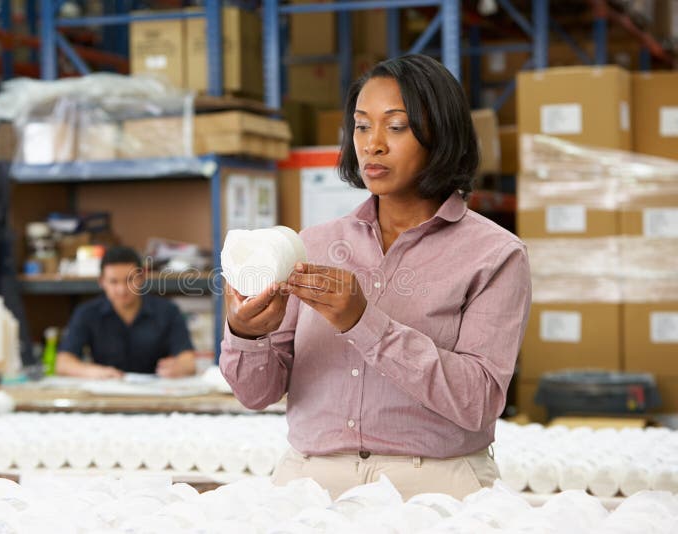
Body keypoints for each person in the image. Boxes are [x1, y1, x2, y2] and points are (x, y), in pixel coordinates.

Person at [220, 54, 531, 500]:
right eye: (362, 126)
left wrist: (363, 322)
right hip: (310, 483)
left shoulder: (494, 255)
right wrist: (247, 335)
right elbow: (256, 395)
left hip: (433, 486)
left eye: (396, 126)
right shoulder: (315, 244)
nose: (373, 145)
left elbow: (478, 401)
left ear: (442, 134)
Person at [56, 246, 196, 379]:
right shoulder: (87, 313)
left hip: (157, 390)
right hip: (107, 388)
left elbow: (188, 360)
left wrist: (179, 367)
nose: (122, 290)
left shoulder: (168, 311)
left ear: (141, 278)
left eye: (129, 280)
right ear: (102, 281)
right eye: (113, 282)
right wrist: (92, 371)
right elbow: (63, 363)